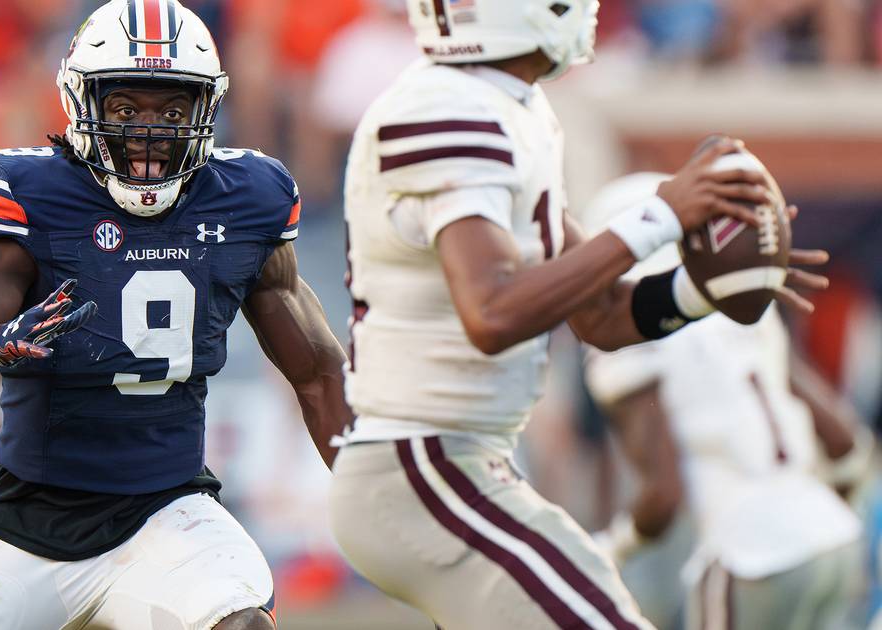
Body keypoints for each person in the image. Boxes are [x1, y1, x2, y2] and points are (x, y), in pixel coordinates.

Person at [329, 1, 829, 628]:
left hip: (463, 460)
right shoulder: (444, 107)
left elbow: (602, 315)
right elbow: (491, 313)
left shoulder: (513, 110)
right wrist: (661, 217)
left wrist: (704, 290)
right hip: (421, 467)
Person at [0, 2, 351, 628]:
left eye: (171, 110)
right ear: (84, 104)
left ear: (205, 109)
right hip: (29, 524)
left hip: (167, 512)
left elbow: (319, 372)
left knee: (237, 621)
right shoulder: (33, 197)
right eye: (126, 109)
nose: (150, 130)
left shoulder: (248, 201)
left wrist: (378, 503)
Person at [582, 173, 872, 630]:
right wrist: (816, 508)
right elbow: (844, 440)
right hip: (833, 540)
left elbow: (662, 497)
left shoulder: (632, 342)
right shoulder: (743, 313)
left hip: (750, 550)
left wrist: (607, 549)